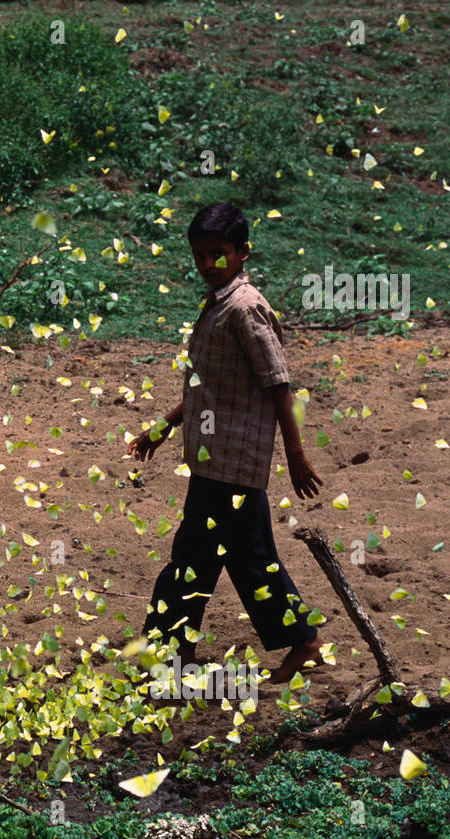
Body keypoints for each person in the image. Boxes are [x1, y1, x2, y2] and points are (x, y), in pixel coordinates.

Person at [126, 202, 327, 685]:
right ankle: (174, 649)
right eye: (199, 255)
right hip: (212, 457)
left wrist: (297, 456)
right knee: (212, 554)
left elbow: (278, 385)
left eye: (218, 254)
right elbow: (211, 386)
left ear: (242, 252)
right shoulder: (218, 302)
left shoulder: (245, 307)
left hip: (236, 461)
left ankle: (301, 643)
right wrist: (166, 426)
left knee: (232, 556)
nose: (207, 264)